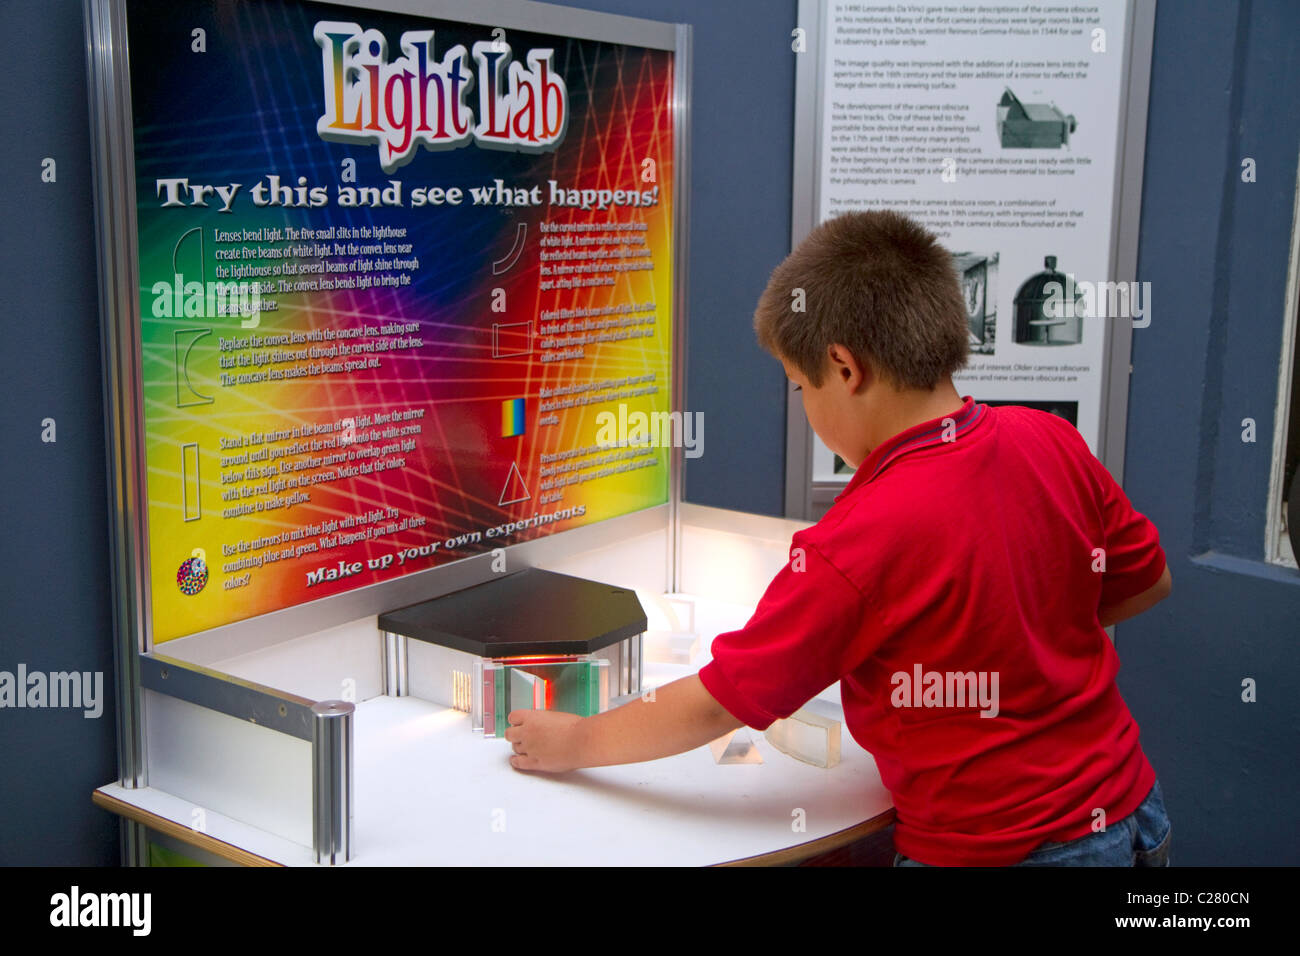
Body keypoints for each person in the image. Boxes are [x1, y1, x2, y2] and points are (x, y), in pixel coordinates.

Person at [505, 210, 1173, 867]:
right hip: (1135, 812)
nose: (802, 404)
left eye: (799, 385)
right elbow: (1147, 582)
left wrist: (576, 742)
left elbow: (719, 703)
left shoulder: (858, 538)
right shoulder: (1047, 439)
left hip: (996, 851)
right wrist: (1019, 633)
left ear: (844, 368)